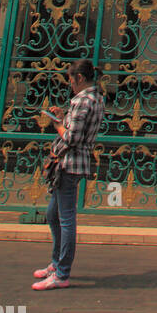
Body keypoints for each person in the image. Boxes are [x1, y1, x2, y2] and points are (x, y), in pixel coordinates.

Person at [31, 59, 105, 291]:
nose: (70, 84)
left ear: (80, 78)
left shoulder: (84, 100)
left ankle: (62, 273)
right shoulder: (97, 98)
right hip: (71, 163)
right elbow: (77, 129)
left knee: (66, 219)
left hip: (69, 164)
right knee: (53, 215)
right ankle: (56, 263)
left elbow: (72, 138)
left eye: (71, 80)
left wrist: (57, 125)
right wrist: (63, 117)